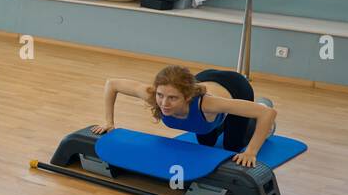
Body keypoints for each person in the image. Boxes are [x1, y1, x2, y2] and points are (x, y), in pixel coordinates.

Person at [94, 64, 277, 167]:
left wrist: (251, 152)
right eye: (160, 95)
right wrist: (109, 123)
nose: (164, 103)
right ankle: (221, 121)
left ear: (187, 97)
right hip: (205, 78)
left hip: (234, 86)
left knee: (233, 146)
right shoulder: (154, 95)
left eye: (172, 98)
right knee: (206, 143)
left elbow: (268, 114)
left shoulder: (207, 104)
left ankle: (259, 104)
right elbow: (112, 84)